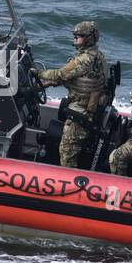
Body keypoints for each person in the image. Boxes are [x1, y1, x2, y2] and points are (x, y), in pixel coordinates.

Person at [34, 20, 108, 168]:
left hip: (81, 111)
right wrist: (44, 85)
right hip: (89, 106)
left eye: (78, 36)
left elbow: (60, 74)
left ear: (88, 38)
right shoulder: (98, 56)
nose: (75, 39)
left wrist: (38, 73)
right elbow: (76, 79)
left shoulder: (84, 60)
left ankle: (68, 181)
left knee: (67, 150)